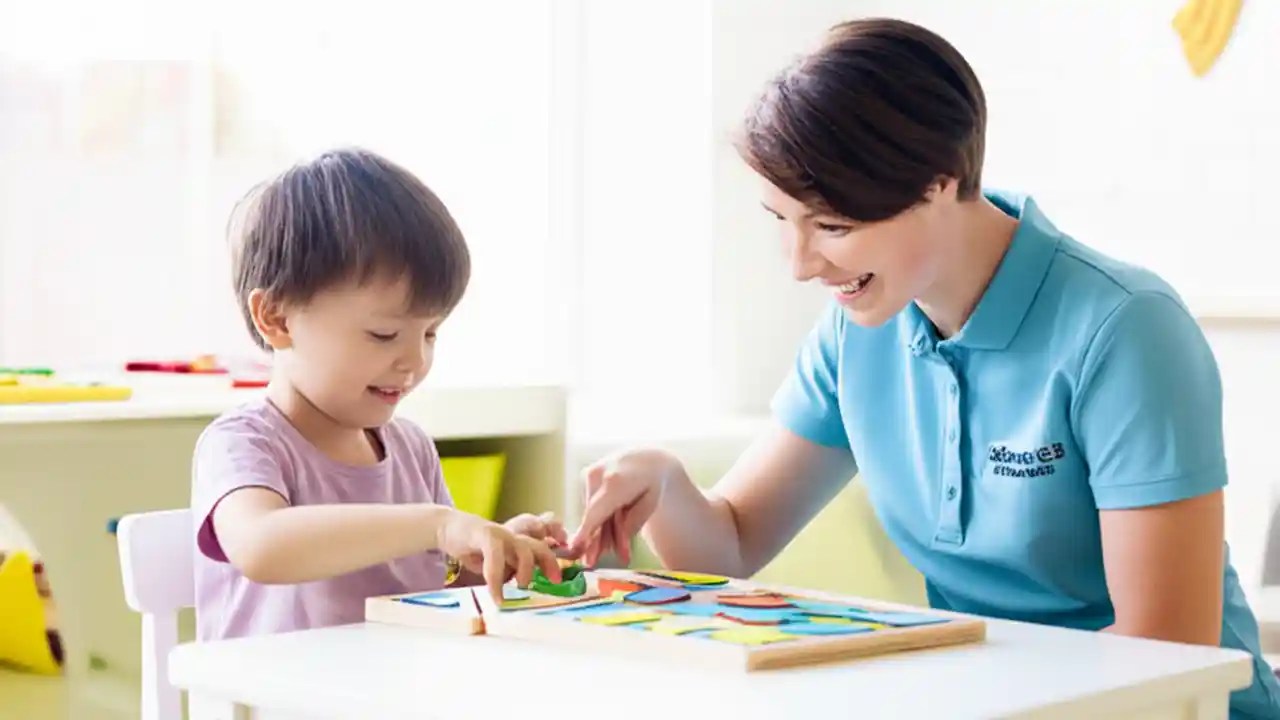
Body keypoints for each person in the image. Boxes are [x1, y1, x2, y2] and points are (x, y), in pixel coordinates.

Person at [567, 18, 1280, 717]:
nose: (799, 263)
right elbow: (730, 544)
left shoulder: (1124, 329)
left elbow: (1165, 654)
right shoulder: (856, 333)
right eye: (779, 220)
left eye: (833, 226)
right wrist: (664, 482)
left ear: (939, 183)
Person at [192, 148, 564, 641]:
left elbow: (432, 588)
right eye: (384, 335)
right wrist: (437, 525)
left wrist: (491, 556)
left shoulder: (411, 449)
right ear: (277, 318)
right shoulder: (243, 443)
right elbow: (261, 547)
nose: (414, 361)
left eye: (430, 334)